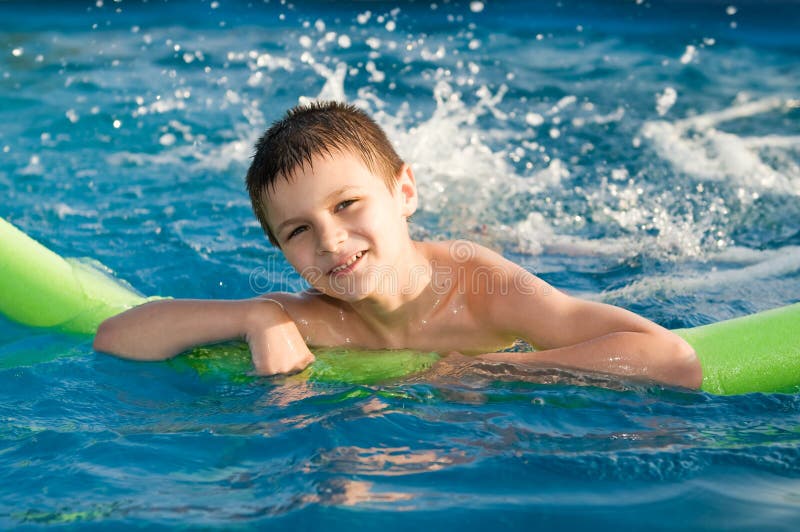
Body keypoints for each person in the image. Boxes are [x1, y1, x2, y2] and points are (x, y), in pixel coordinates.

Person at [93, 101, 702, 389]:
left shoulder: (482, 291)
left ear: (404, 191)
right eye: (298, 230)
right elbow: (116, 336)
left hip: (494, 256)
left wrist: (483, 367)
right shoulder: (316, 315)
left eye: (346, 204)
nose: (330, 241)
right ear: (279, 249)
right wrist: (257, 316)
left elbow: (669, 356)